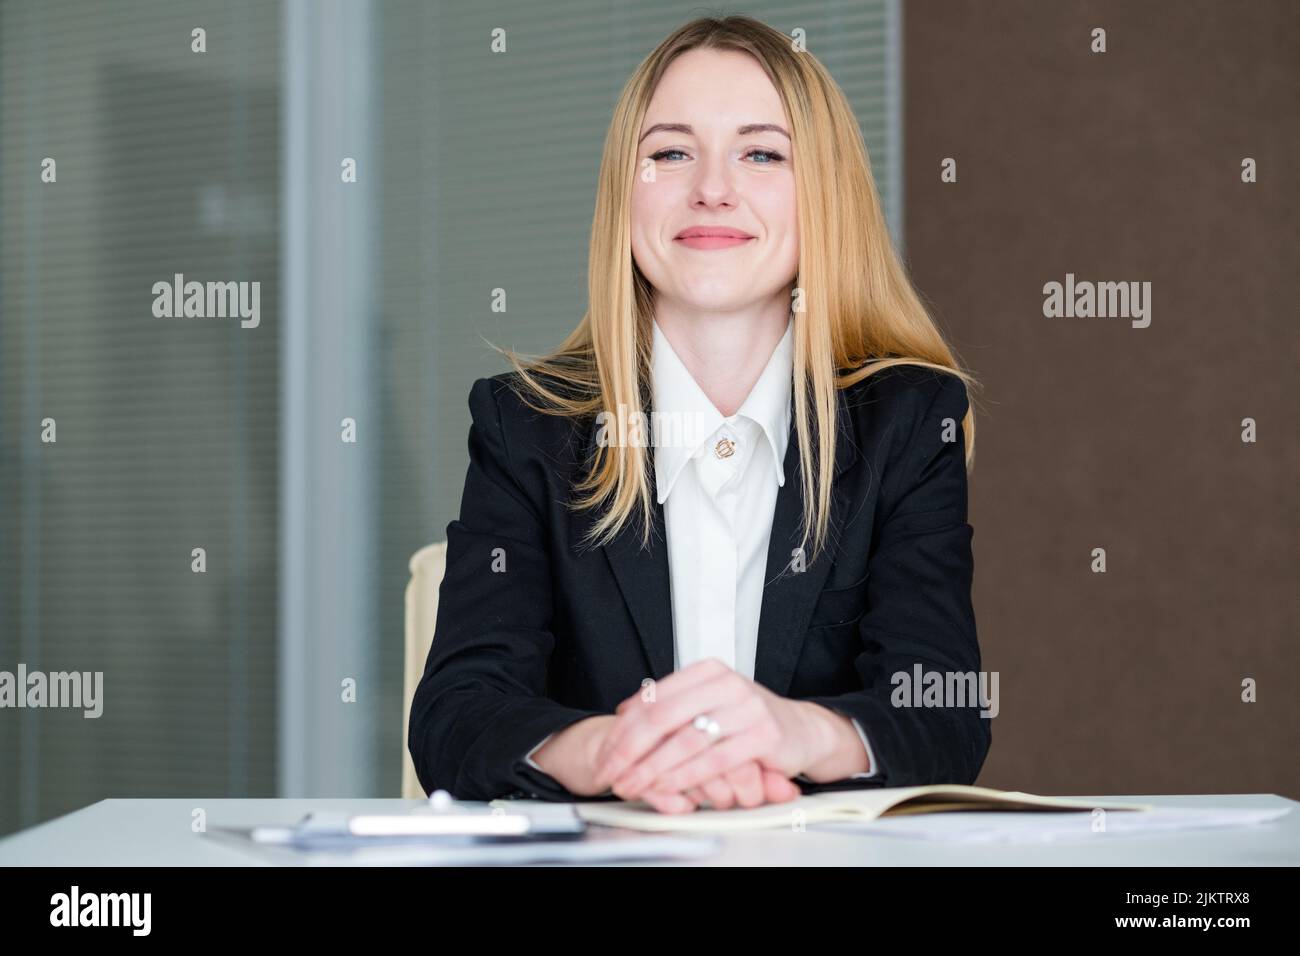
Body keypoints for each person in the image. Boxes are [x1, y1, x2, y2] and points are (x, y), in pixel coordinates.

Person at [409, 14, 988, 814]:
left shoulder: (910, 419)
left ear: (825, 190)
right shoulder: (526, 426)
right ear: (625, 191)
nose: (712, 188)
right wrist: (610, 751)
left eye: (761, 152)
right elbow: (455, 716)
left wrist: (792, 733)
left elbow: (945, 708)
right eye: (671, 152)